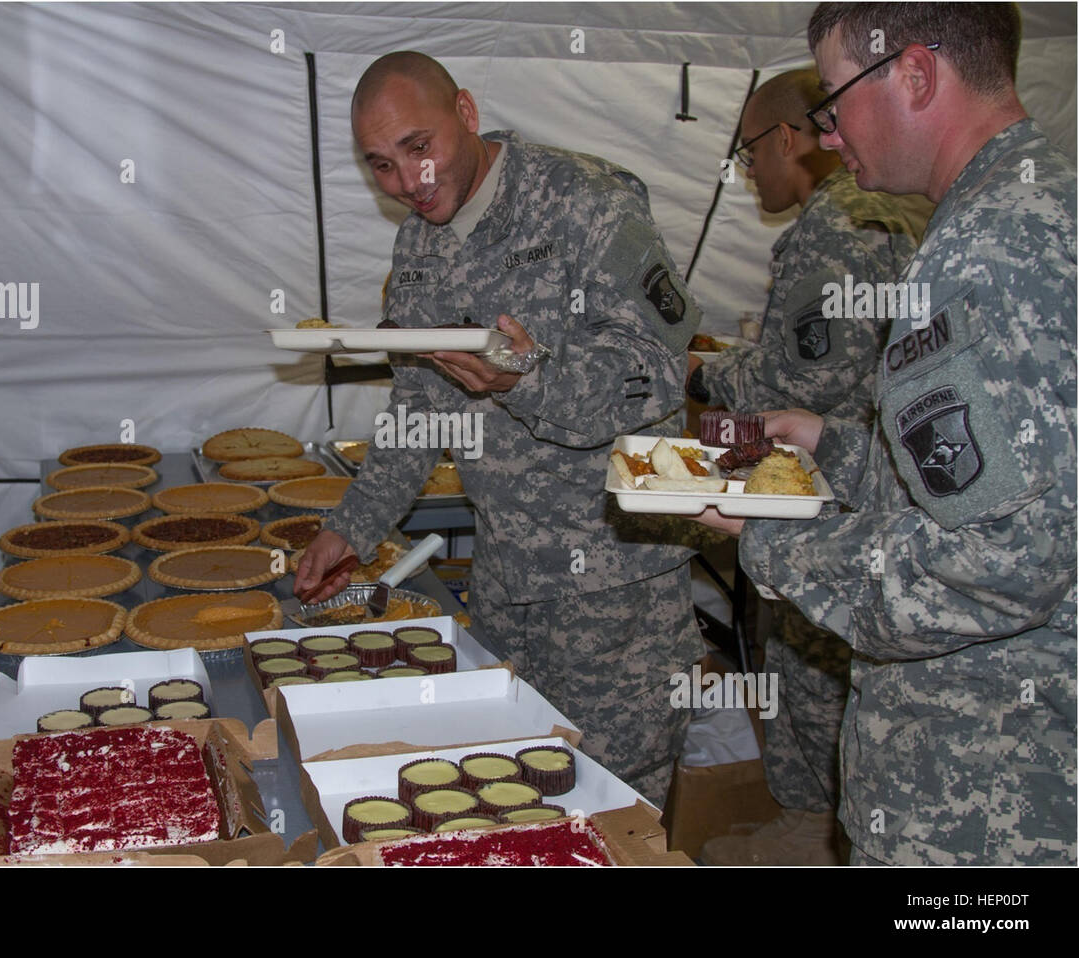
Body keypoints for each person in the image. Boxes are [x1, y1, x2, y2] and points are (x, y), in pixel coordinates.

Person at [695, 3, 1076, 865]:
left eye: (833, 101)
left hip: (983, 803)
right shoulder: (1039, 206)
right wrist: (833, 445)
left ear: (914, 73)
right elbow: (998, 483)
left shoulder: (985, 255)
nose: (827, 136)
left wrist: (771, 538)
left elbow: (993, 570)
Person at [295, 51, 704, 805]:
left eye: (420, 147)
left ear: (469, 115)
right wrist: (350, 528)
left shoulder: (588, 200)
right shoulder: (418, 245)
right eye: (380, 165)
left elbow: (657, 372)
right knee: (505, 792)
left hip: (614, 588)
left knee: (612, 806)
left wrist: (529, 379)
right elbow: (418, 408)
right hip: (507, 576)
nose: (408, 182)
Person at [690, 68, 931, 865]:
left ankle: (811, 832)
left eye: (750, 152)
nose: (750, 171)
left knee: (810, 660)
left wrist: (701, 373)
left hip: (833, 493)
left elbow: (792, 385)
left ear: (787, 138)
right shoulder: (909, 212)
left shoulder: (831, 229)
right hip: (902, 486)